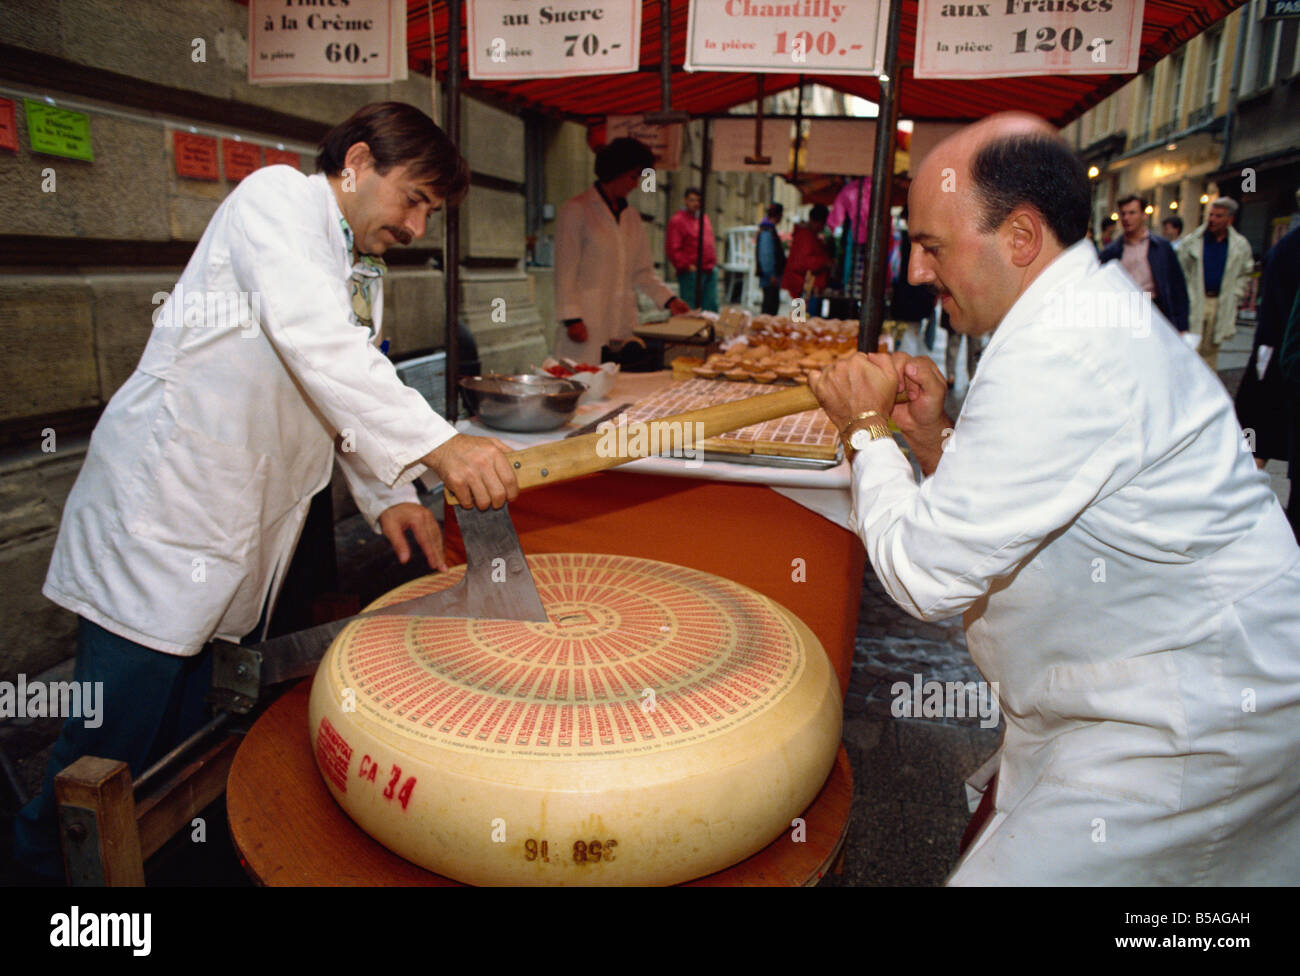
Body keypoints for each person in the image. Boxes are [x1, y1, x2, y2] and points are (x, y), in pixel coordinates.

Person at [14, 102, 519, 881]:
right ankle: (44, 881)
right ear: (355, 163)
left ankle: (161, 874)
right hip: (164, 523)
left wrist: (393, 498)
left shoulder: (358, 269)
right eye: (414, 199)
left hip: (232, 539)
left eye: (431, 211)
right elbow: (315, 342)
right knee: (107, 749)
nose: (418, 225)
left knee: (187, 747)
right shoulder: (275, 200)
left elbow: (341, 390)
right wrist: (441, 446)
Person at [810, 112, 1300, 885]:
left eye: (933, 246)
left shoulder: (1062, 352)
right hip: (1140, 685)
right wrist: (934, 439)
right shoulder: (1069, 321)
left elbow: (926, 575)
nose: (915, 273)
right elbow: (1037, 502)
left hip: (1190, 717)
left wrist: (866, 432)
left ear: (1021, 237)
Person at [554, 137, 689, 362]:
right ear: (615, 170)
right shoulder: (576, 210)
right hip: (587, 320)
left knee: (615, 382)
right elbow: (565, 270)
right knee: (581, 380)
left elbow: (643, 271)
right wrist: (572, 318)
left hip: (621, 320)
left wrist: (669, 300)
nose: (635, 184)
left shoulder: (632, 218)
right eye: (633, 176)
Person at [1237, 223, 1300, 538]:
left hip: (1274, 354)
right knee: (1261, 434)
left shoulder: (1286, 246)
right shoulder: (1289, 248)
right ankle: (1240, 509)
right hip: (1277, 357)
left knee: (1262, 435)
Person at [1177, 196, 1253, 371]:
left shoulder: (1239, 245)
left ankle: (1206, 388)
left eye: (1218, 216)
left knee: (1211, 349)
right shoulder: (1193, 241)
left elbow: (1246, 272)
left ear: (1230, 219)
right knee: (1190, 345)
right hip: (1196, 299)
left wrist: (1236, 293)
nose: (1212, 220)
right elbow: (1181, 268)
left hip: (1220, 300)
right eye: (1211, 215)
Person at [1098, 194, 1189, 332]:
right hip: (1122, 311)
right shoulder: (1112, 251)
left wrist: (1181, 326)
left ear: (1144, 215)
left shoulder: (1161, 247)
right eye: (1123, 214)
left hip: (1153, 308)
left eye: (1132, 213)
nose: (1126, 218)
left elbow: (1177, 287)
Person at [665, 187, 717, 312]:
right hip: (691, 272)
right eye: (692, 200)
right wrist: (686, 265)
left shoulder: (704, 218)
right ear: (685, 201)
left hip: (708, 269)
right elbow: (673, 247)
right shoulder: (678, 220)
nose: (696, 204)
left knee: (710, 308)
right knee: (690, 309)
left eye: (698, 201)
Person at [781, 204, 834, 300]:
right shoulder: (805, 236)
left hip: (804, 288)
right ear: (817, 222)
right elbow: (804, 262)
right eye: (822, 224)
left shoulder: (809, 235)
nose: (822, 228)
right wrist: (825, 262)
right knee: (798, 314)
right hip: (799, 288)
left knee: (801, 314)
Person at [756, 203, 785, 315]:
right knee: (769, 307)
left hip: (771, 276)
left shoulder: (768, 229)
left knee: (771, 305)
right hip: (770, 277)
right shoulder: (767, 231)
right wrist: (771, 275)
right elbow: (766, 254)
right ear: (779, 215)